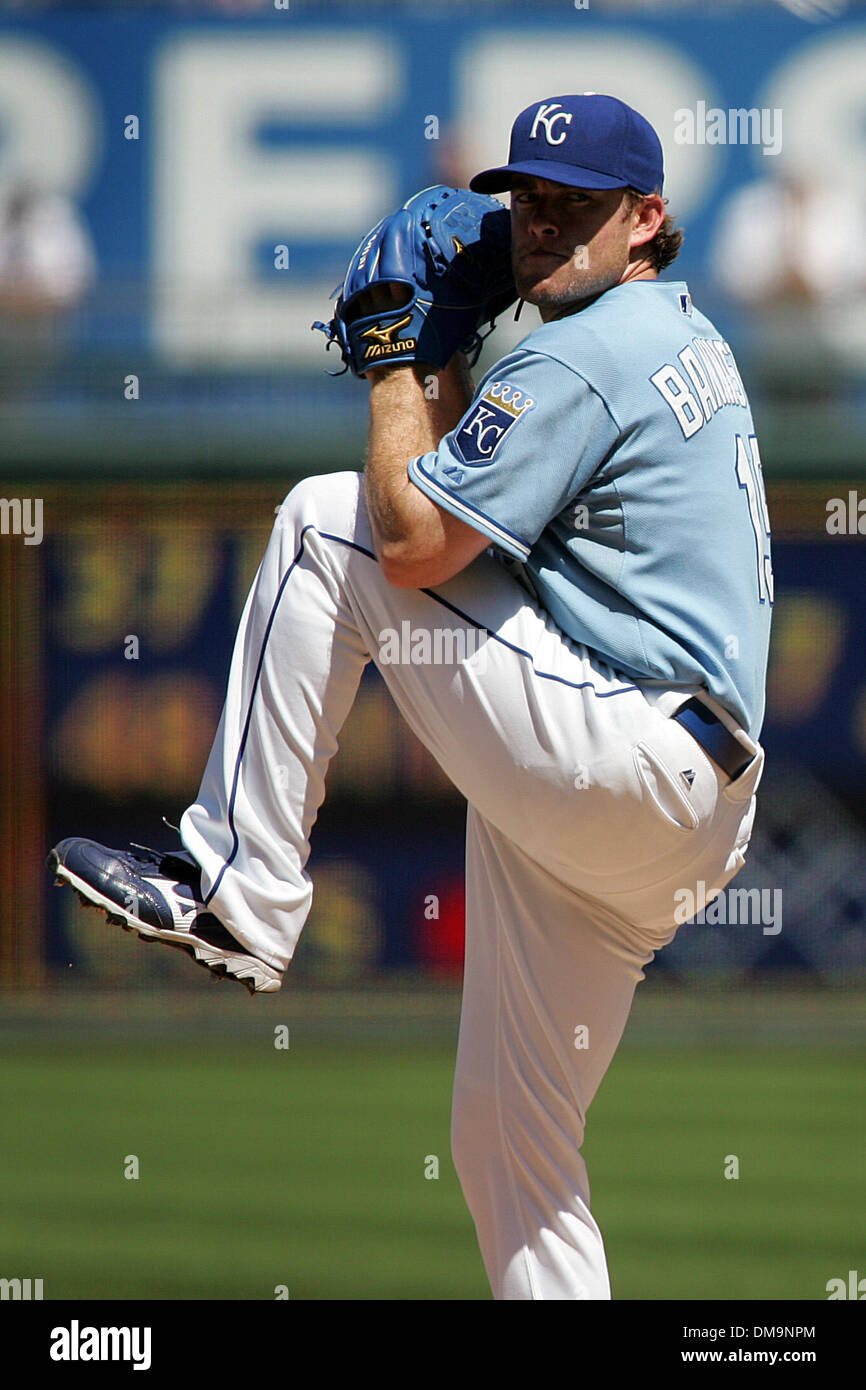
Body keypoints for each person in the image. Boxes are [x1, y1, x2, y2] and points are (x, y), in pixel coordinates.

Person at [49, 94, 772, 1300]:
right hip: (659, 806)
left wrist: (394, 356)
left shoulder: (588, 352)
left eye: (575, 208)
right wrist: (434, 357)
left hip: (630, 752)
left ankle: (238, 891)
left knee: (323, 526)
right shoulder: (659, 330)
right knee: (507, 1144)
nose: (540, 227)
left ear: (646, 219)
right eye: (527, 201)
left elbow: (405, 541)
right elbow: (441, 496)